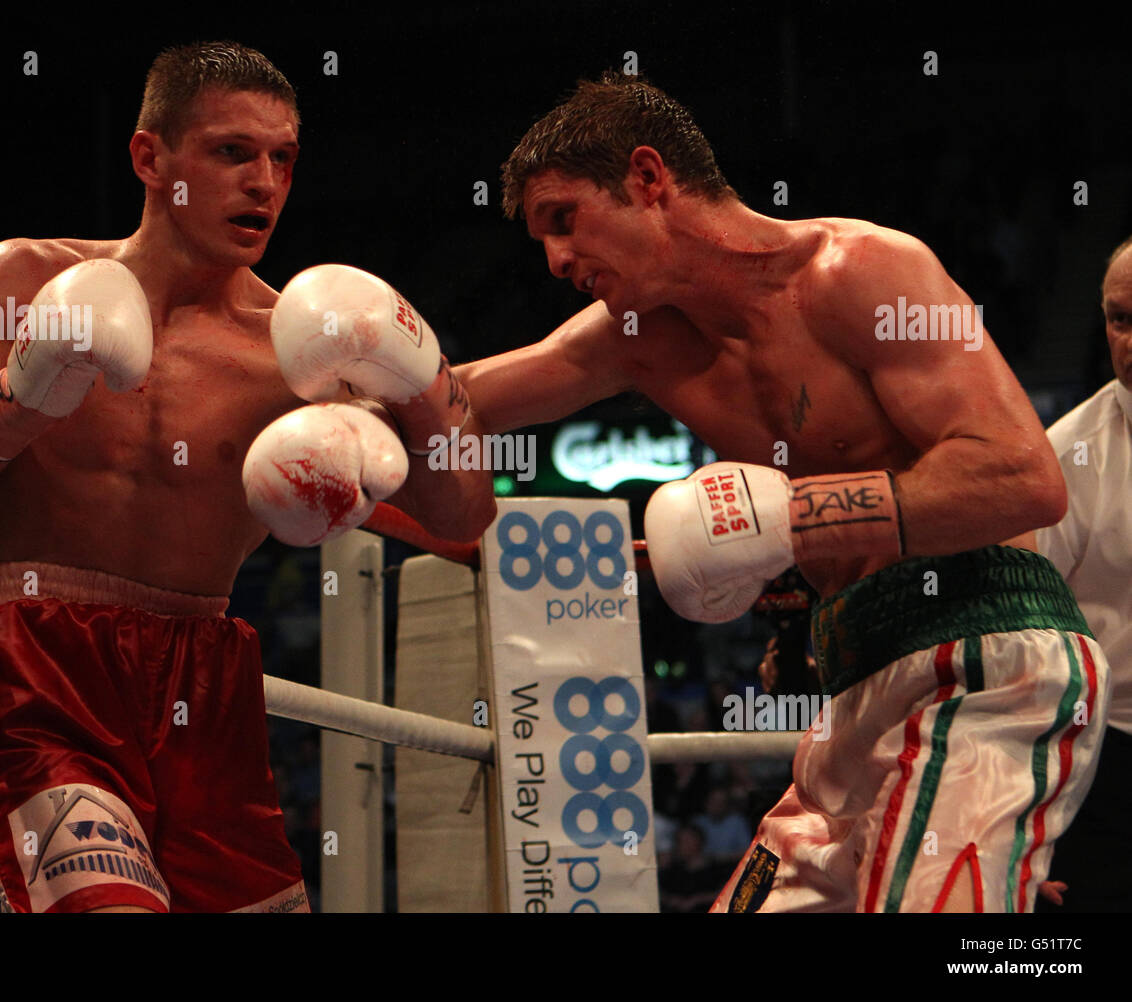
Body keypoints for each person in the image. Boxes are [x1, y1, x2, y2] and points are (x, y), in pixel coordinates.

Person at [458, 73, 1108, 912]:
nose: (553, 261)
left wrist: (786, 523)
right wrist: (325, 373)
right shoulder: (634, 338)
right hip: (853, 691)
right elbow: (458, 397)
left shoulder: (864, 272)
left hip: (985, 658)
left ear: (648, 179)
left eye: (563, 220)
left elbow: (1022, 477)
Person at [0, 41, 494, 913]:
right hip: (44, 677)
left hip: (208, 695)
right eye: (232, 152)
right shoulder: (28, 277)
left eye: (283, 159)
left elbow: (463, 515)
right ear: (149, 157)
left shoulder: (301, 349)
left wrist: (429, 383)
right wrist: (19, 395)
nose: (264, 184)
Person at [1034, 235, 1132, 912]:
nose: (1129, 339)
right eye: (1120, 319)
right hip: (1107, 763)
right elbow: (1020, 647)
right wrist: (1014, 826)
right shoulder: (1066, 456)